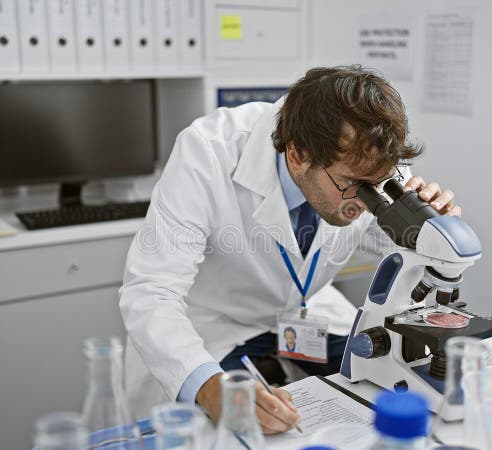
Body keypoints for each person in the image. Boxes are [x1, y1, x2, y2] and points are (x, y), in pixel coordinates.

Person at [119, 65, 461, 435]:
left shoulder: (369, 165)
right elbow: (151, 291)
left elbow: (388, 247)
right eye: (352, 184)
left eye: (376, 185)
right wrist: (207, 386)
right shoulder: (208, 151)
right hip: (215, 323)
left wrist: (430, 235)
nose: (365, 202)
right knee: (239, 430)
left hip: (304, 313)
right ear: (298, 156)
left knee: (384, 389)